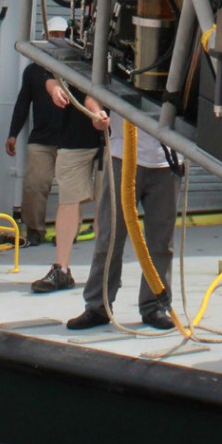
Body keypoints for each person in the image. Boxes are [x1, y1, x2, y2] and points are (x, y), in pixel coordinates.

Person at [67, 116, 178, 331]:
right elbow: (94, 95)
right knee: (110, 236)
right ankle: (98, 306)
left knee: (161, 241)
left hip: (167, 160)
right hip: (123, 157)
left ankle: (154, 305)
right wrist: (95, 113)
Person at [30, 77, 108, 294]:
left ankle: (105, 270)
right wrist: (55, 89)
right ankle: (61, 269)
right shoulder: (71, 45)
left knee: (107, 205)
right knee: (69, 200)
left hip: (113, 137)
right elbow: (48, 73)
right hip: (74, 135)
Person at [5, 61, 66, 246]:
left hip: (72, 140)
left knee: (71, 190)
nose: (56, 38)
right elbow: (23, 101)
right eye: (53, 34)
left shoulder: (77, 68)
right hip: (41, 138)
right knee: (35, 185)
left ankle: (67, 231)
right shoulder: (33, 70)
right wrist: (13, 134)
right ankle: (34, 229)